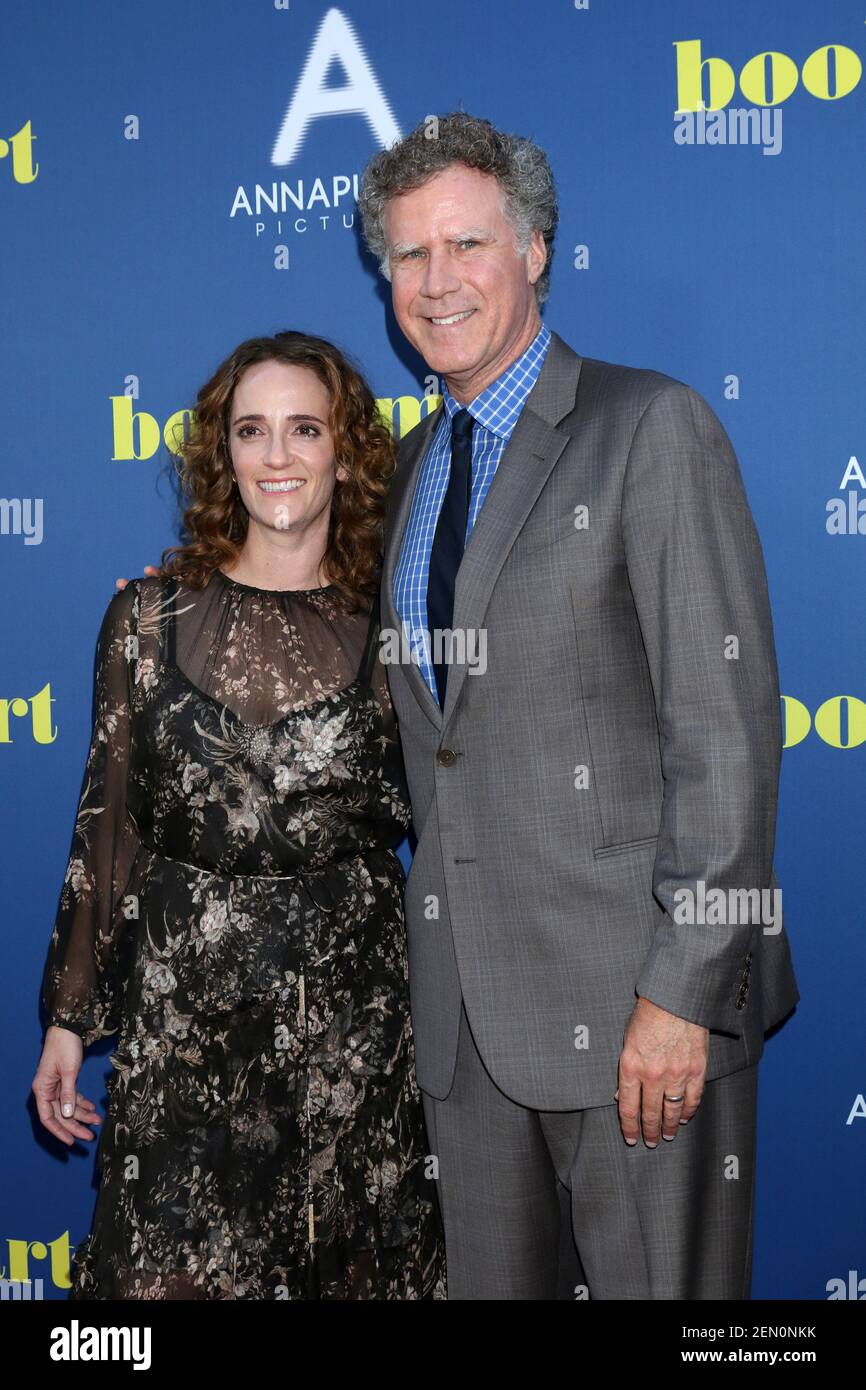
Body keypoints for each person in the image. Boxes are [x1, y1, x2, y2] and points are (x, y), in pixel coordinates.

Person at [355, 111, 800, 1299]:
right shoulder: (410, 469)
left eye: (465, 244)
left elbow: (724, 735)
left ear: (535, 248)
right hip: (463, 1033)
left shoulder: (648, 427)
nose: (434, 281)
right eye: (407, 255)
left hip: (631, 1017)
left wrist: (678, 998)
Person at [34, 330, 446, 1300]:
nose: (277, 456)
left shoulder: (403, 624)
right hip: (185, 1034)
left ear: (344, 450)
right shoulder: (143, 619)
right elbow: (110, 826)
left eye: (304, 429)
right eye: (251, 430)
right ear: (221, 453)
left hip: (354, 1027)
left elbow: (459, 815)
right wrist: (68, 1021)